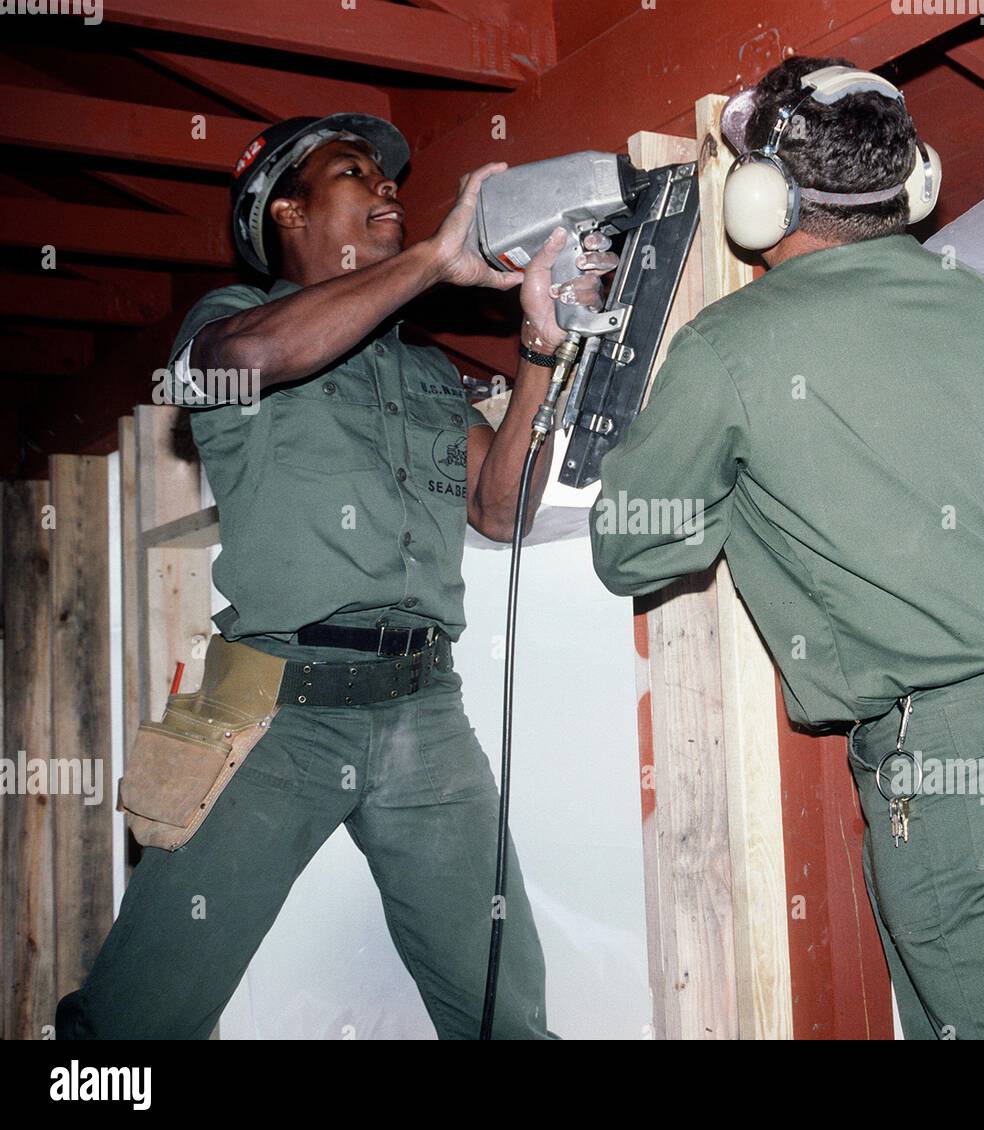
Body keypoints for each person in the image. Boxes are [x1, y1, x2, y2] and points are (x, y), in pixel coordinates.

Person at [588, 57, 984, 1040]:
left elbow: (628, 550)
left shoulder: (732, 343)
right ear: (910, 180)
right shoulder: (979, 301)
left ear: (761, 200)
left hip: (961, 777)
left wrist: (708, 471)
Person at [56, 113, 615, 1040]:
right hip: (272, 714)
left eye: (392, 174)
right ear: (289, 212)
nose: (388, 185)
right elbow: (245, 363)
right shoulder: (226, 326)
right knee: (136, 1021)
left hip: (426, 716)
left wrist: (539, 355)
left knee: (505, 1014)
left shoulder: (428, 371)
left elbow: (498, 510)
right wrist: (438, 260)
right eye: (356, 172)